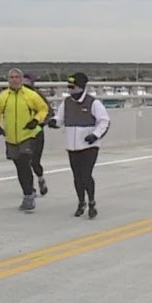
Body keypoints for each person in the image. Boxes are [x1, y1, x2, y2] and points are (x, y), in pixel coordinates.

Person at [48, 72, 110, 218]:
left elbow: (104, 121)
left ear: (82, 87)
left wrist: (95, 135)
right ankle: (81, 201)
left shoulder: (93, 103)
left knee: (86, 175)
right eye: (69, 87)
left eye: (73, 87)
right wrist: (54, 122)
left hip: (89, 146)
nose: (70, 90)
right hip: (72, 146)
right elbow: (60, 118)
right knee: (77, 176)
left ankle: (92, 203)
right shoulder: (67, 103)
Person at [0, 68, 49, 212]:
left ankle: (28, 195)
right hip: (11, 138)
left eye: (17, 77)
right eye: (12, 77)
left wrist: (36, 120)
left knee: (24, 163)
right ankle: (28, 191)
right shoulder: (4, 96)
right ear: (8, 79)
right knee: (20, 167)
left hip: (27, 136)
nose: (14, 80)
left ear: (21, 79)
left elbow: (44, 109)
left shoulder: (30, 95)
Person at [22, 73, 52, 196]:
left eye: (27, 81)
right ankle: (29, 189)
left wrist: (40, 124)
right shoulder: (15, 96)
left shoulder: (38, 96)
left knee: (35, 162)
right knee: (23, 162)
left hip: (36, 133)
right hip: (21, 134)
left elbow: (48, 112)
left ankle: (40, 179)